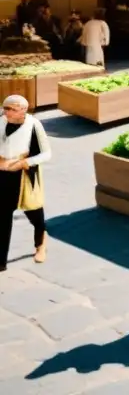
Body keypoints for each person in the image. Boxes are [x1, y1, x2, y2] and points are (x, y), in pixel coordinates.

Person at [0, 95, 51, 269]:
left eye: (11, 109)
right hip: (4, 173)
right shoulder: (1, 121)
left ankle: (41, 243)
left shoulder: (34, 125)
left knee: (34, 213)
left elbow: (46, 154)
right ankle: (1, 262)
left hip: (25, 175)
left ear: (23, 110)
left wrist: (24, 163)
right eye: (5, 108)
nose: (7, 112)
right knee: (3, 216)